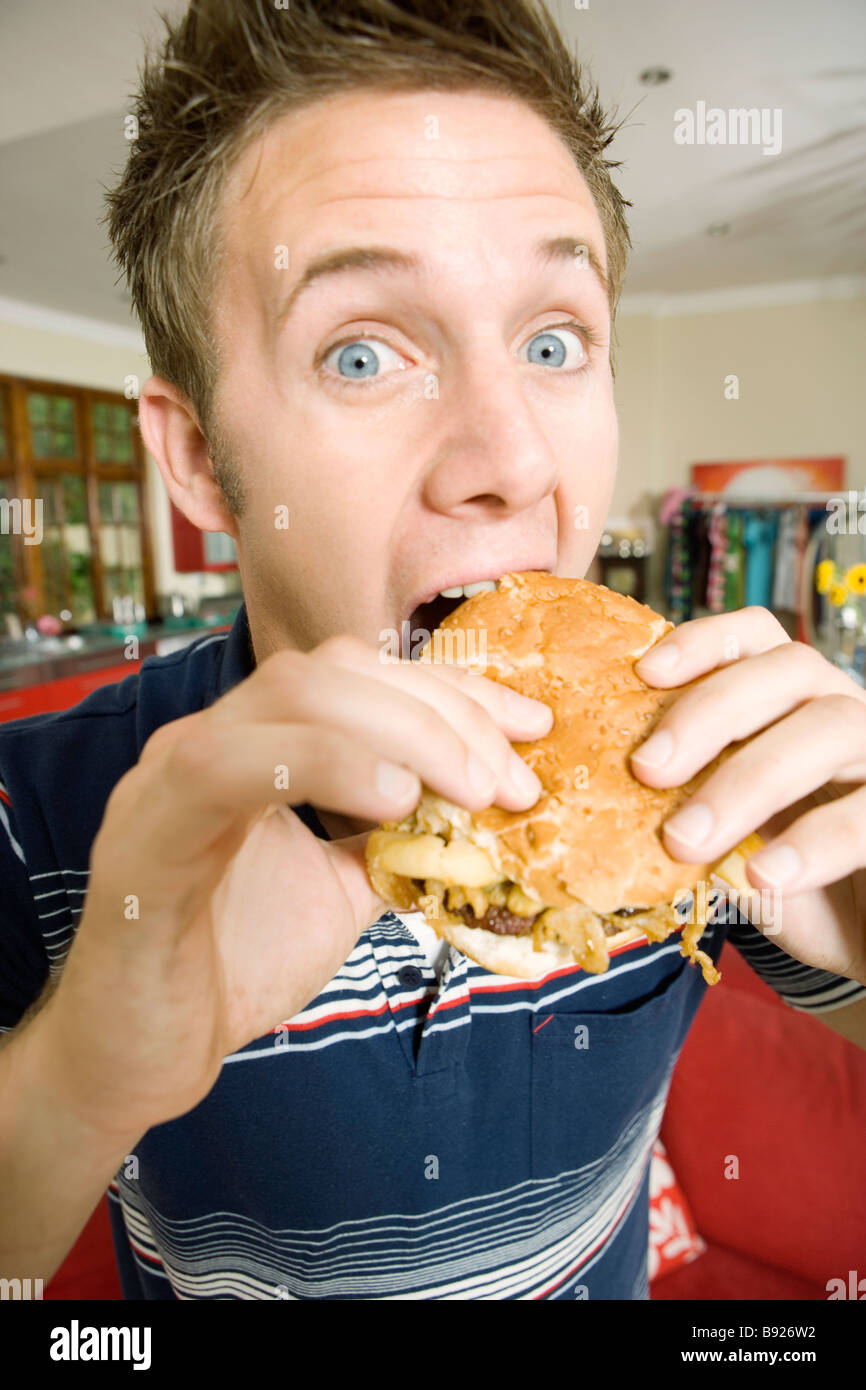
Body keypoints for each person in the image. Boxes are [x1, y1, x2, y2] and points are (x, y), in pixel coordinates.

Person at [1, 0, 864, 1301]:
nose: (511, 462)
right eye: (362, 352)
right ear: (195, 461)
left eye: (552, 340)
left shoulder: (702, 775)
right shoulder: (36, 812)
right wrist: (86, 1073)